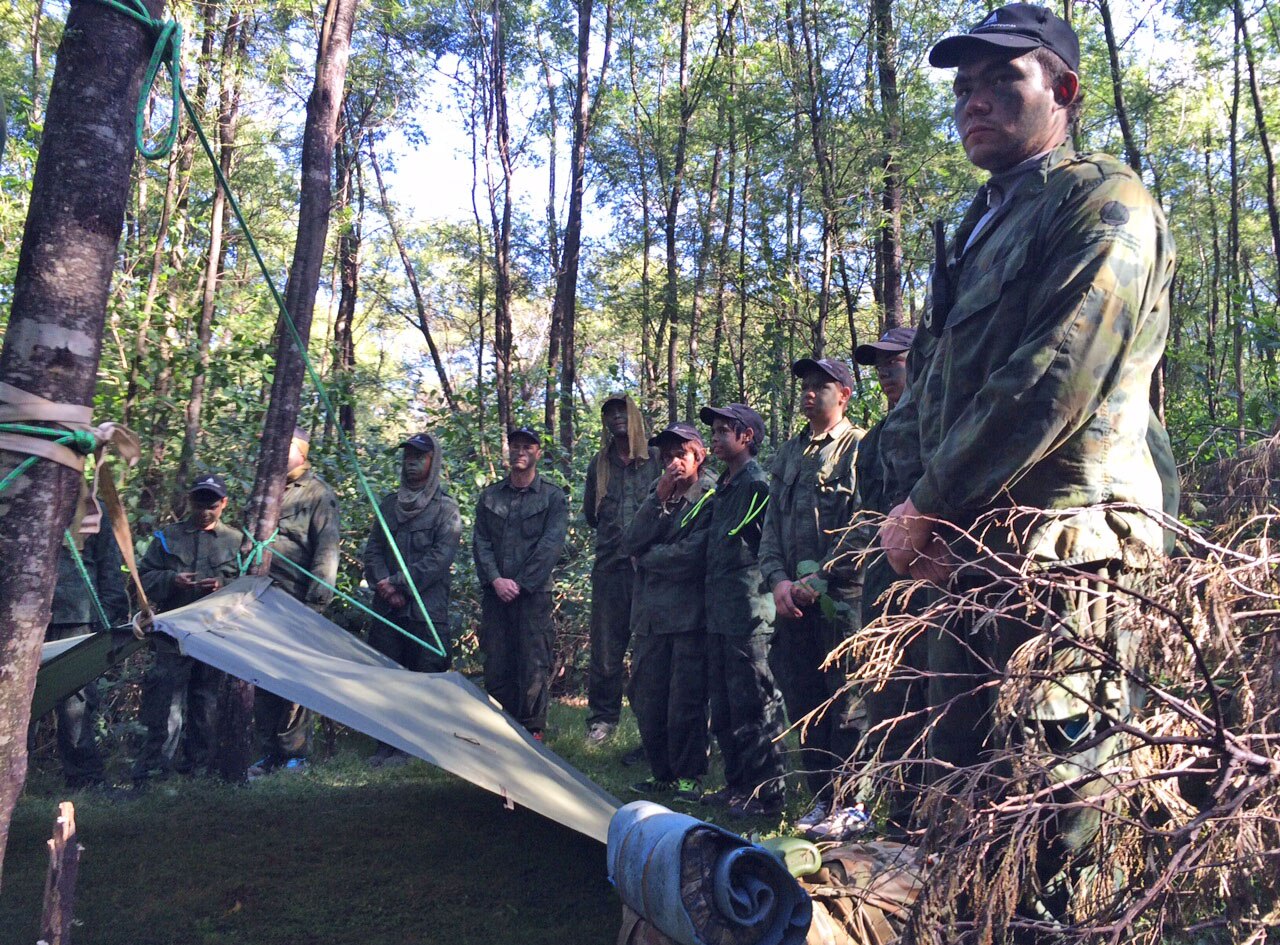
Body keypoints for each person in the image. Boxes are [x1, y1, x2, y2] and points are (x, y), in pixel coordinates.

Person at [878, 2, 1173, 920]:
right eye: (963, 87)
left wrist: (927, 498)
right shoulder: (981, 222)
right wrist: (901, 509)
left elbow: (1054, 374)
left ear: (1064, 90)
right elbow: (932, 392)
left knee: (1055, 812)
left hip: (1067, 554)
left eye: (1003, 81)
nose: (974, 101)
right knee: (956, 798)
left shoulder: (1105, 202)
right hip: (973, 553)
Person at [757, 356, 868, 841]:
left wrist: (819, 579)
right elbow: (771, 530)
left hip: (842, 600)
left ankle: (852, 802)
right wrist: (779, 580)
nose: (808, 391)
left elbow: (865, 525)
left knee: (845, 699)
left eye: (820, 385)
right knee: (803, 698)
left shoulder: (860, 449)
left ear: (843, 394)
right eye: (804, 383)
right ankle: (822, 796)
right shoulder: (788, 455)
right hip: (792, 603)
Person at [851, 327, 927, 836]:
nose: (883, 371)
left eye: (893, 361)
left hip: (928, 582)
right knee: (889, 701)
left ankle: (931, 823)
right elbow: (866, 512)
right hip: (882, 588)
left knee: (930, 704)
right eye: (877, 363)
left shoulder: (939, 419)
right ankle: (899, 822)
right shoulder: (879, 434)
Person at [698, 404, 788, 817]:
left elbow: (766, 545)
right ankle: (737, 785)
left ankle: (766, 793)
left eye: (722, 431)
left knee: (754, 704)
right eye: (713, 431)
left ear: (746, 437)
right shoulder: (724, 486)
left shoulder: (757, 485)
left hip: (749, 613)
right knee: (726, 706)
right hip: (720, 613)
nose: (715, 438)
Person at [623, 421, 717, 800]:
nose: (673, 463)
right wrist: (658, 498)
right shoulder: (658, 492)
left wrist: (646, 558)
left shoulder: (710, 495)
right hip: (649, 616)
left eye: (681, 454)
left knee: (686, 700)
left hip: (688, 616)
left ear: (699, 455)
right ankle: (661, 772)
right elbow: (629, 540)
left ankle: (689, 775)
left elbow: (692, 555)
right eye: (667, 456)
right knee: (647, 696)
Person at [362, 432, 462, 766]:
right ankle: (386, 743)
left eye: (420, 456)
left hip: (425, 612)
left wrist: (400, 585)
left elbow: (440, 558)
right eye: (407, 455)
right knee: (388, 676)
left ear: (434, 461)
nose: (412, 461)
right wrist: (382, 584)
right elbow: (374, 549)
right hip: (387, 610)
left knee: (424, 679)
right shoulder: (389, 504)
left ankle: (420, 746)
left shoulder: (445, 508)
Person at [133, 475, 241, 782]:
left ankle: (199, 768)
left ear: (223, 504)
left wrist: (224, 586)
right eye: (198, 503)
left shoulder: (236, 540)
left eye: (211, 504)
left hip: (216, 634)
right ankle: (155, 770)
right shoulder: (167, 537)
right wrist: (171, 581)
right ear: (189, 501)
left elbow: (250, 586)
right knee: (167, 702)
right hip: (173, 635)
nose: (204, 511)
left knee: (206, 701)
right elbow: (144, 580)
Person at [252, 426, 341, 774]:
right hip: (261, 602)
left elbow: (326, 551)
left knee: (295, 683)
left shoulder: (318, 493)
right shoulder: (268, 489)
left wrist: (316, 605)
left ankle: (295, 753)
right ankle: (269, 751)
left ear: (301, 451)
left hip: (296, 603)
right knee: (263, 678)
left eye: (284, 445)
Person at [472, 427, 568, 739]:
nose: (520, 451)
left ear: (538, 452)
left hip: (533, 595)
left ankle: (533, 730)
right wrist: (497, 580)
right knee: (498, 662)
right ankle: (502, 728)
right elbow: (481, 542)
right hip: (496, 596)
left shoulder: (553, 497)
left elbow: (550, 545)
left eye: (527, 446)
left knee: (534, 662)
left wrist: (522, 584)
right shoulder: (490, 497)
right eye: (515, 446)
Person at [583, 393, 661, 745]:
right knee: (605, 650)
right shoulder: (598, 465)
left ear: (634, 416)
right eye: (609, 412)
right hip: (610, 569)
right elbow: (591, 515)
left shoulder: (656, 459)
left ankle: (653, 726)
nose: (616, 417)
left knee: (653, 651)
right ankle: (602, 721)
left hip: (652, 571)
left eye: (622, 410)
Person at [41, 506, 130, 789]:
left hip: (77, 615)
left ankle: (85, 779)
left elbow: (109, 566)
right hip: (22, 614)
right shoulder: (22, 491)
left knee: (75, 702)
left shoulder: (92, 506)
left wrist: (109, 620)